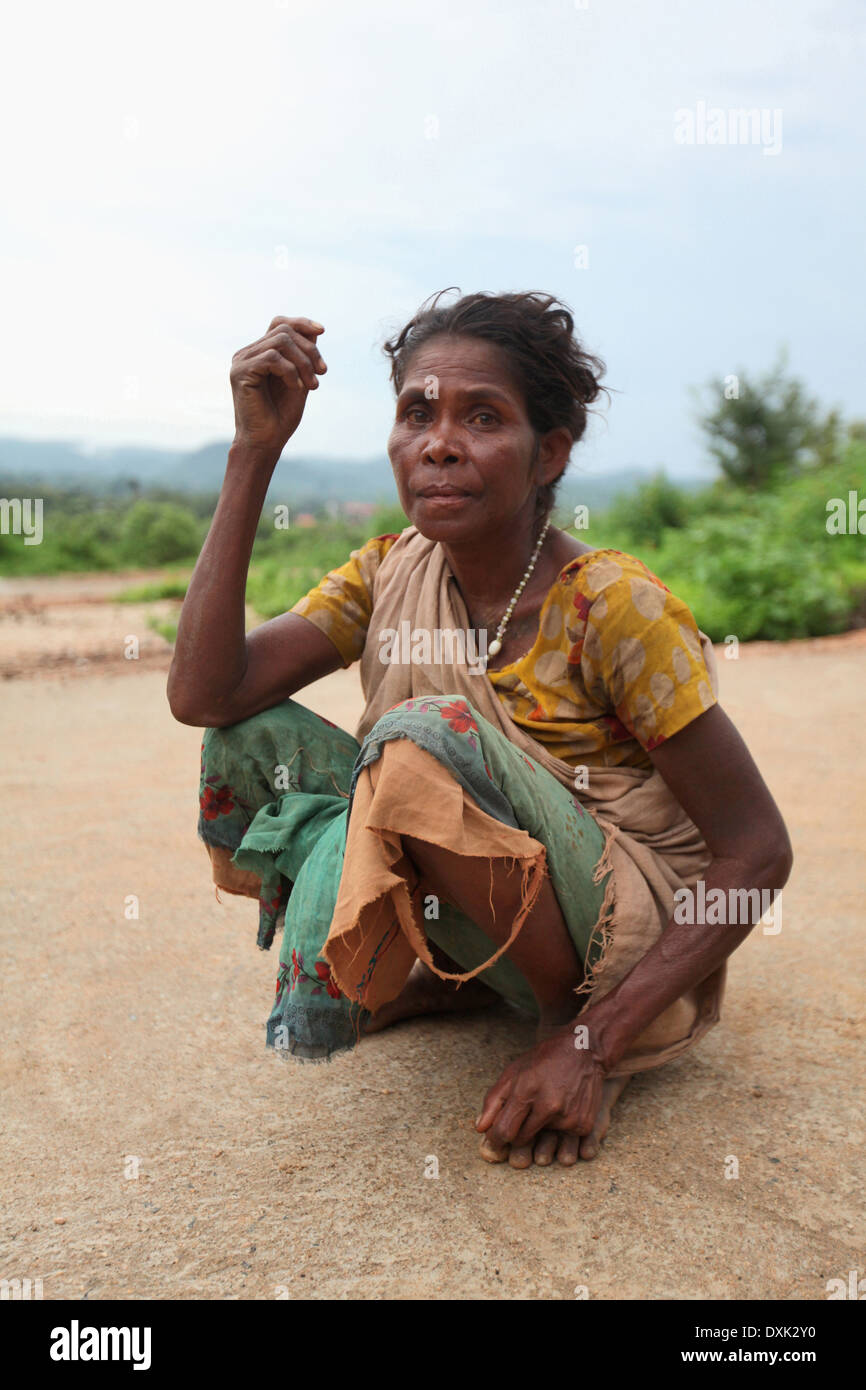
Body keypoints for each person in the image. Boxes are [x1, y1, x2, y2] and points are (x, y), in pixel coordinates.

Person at [168, 289, 792, 1170]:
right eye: (416, 413)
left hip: (607, 916)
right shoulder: (389, 572)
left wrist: (594, 1041)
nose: (440, 443)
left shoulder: (611, 607)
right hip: (489, 886)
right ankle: (451, 977)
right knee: (248, 739)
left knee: (421, 740)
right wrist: (252, 452)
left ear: (552, 453)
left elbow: (757, 852)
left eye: (484, 417)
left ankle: (562, 1023)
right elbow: (207, 693)